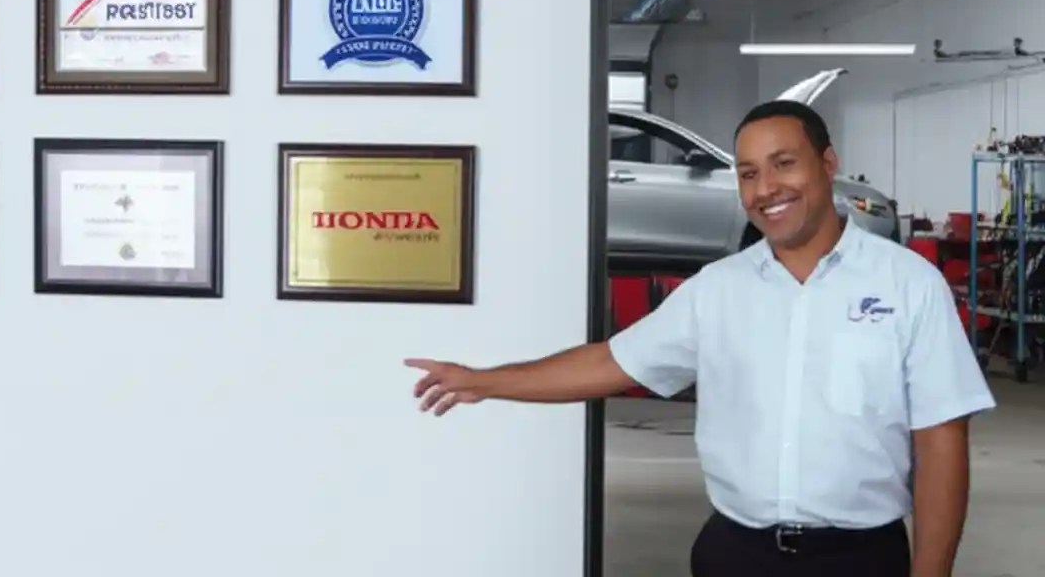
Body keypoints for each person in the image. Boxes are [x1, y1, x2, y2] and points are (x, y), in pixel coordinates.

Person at [405, 101, 995, 577]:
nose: (766, 188)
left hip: (861, 559)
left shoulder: (908, 284)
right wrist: (486, 381)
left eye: (783, 163)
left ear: (827, 162)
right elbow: (613, 362)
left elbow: (942, 441)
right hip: (734, 555)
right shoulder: (717, 289)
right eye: (748, 173)